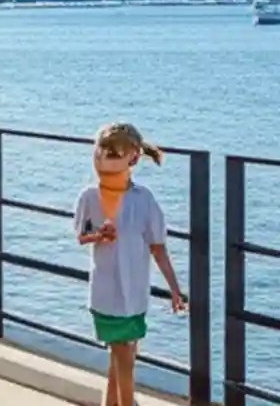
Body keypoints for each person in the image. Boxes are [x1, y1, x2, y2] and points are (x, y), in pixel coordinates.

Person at [75, 123, 185, 406]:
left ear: (133, 158)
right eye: (100, 152)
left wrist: (174, 289)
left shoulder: (144, 200)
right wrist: (99, 235)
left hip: (135, 295)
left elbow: (158, 247)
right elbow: (81, 235)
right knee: (124, 359)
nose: (102, 158)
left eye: (112, 153)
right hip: (106, 294)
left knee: (121, 359)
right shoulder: (90, 196)